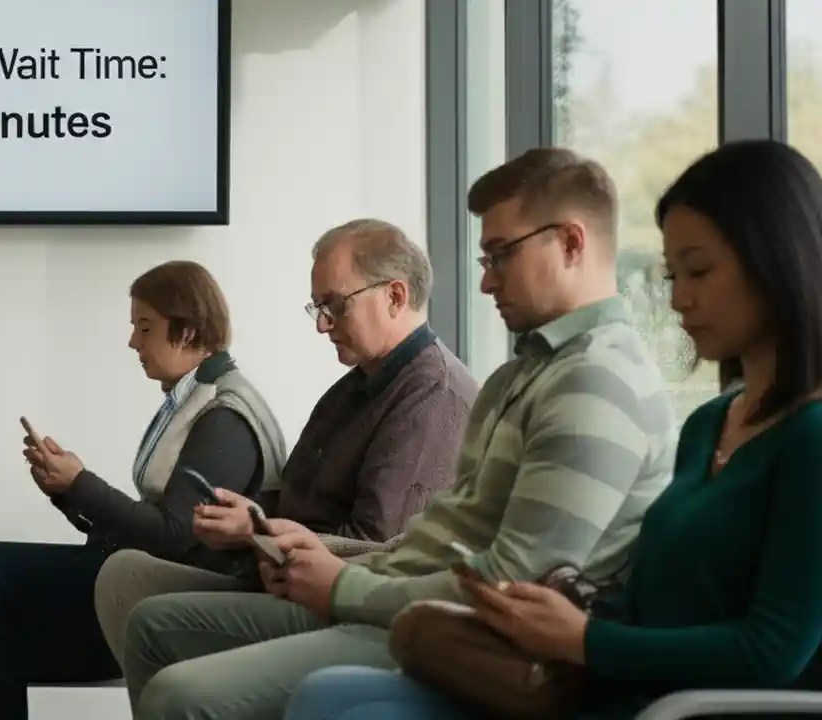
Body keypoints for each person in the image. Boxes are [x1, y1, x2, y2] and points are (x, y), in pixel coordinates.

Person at [120, 149, 679, 719]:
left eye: (500, 255)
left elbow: (511, 586)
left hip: (462, 633)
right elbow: (437, 538)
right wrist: (320, 556)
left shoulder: (593, 384)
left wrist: (343, 585)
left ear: (570, 243)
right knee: (151, 625)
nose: (486, 281)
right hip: (400, 594)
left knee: (178, 690)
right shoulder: (522, 375)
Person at [285, 139, 822, 720]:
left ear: (778, 260)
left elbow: (772, 651)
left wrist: (586, 641)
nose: (678, 297)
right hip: (609, 679)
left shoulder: (809, 436)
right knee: (323, 694)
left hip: (666, 701)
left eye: (699, 270)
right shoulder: (710, 424)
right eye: (672, 273)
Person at [0, 260, 286, 720]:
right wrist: (67, 491)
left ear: (187, 330)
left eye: (145, 327)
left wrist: (80, 483)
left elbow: (172, 535)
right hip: (143, 576)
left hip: (179, 594)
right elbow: (155, 526)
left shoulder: (223, 416)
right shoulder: (195, 399)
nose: (132, 342)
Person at [94, 219, 478, 665]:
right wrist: (248, 519)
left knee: (147, 613)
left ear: (394, 296)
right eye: (318, 308)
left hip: (337, 605)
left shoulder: (432, 396)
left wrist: (259, 533)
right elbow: (297, 498)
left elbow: (376, 547)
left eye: (336, 305)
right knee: (125, 575)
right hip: (279, 575)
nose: (323, 325)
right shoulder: (354, 387)